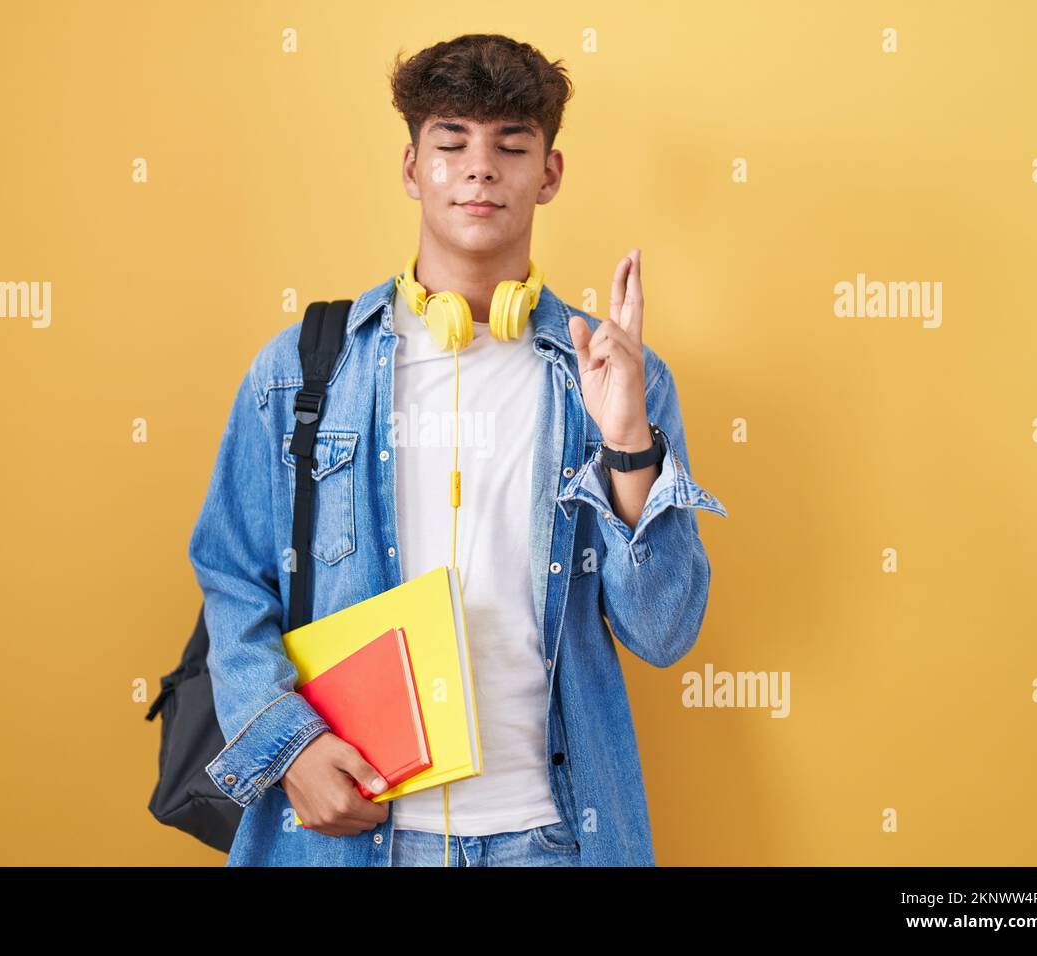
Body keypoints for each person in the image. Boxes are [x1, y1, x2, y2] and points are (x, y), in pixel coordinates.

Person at [188, 33, 726, 867]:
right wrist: (286, 745)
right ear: (413, 168)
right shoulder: (301, 368)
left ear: (549, 173)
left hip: (551, 836)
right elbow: (232, 573)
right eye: (452, 144)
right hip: (352, 835)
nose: (481, 169)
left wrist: (627, 441)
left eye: (512, 146)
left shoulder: (618, 377)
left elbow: (663, 631)